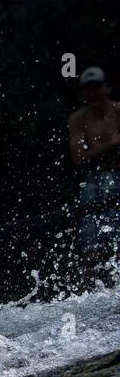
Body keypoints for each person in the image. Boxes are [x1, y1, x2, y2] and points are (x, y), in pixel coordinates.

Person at [67, 67, 120, 276]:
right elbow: (79, 157)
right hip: (94, 179)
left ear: (106, 88)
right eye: (88, 90)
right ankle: (87, 281)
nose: (93, 94)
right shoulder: (78, 120)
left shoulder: (118, 111)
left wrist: (98, 149)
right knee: (89, 236)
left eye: (96, 88)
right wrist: (111, 145)